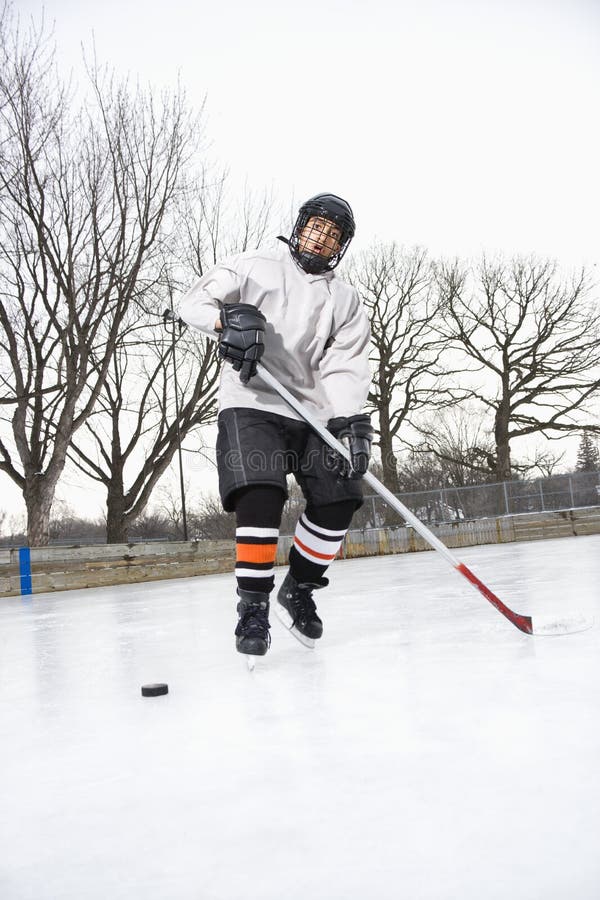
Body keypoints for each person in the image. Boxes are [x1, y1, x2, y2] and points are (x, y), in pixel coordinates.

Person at [179, 193, 373, 657]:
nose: (322, 239)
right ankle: (253, 608)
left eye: (333, 235)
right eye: (316, 228)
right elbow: (192, 303)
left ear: (340, 246)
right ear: (300, 226)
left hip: (314, 410)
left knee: (339, 500)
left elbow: (346, 364)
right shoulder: (253, 265)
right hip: (252, 399)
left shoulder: (344, 300)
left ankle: (299, 588)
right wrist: (226, 322)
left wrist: (351, 422)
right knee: (261, 492)